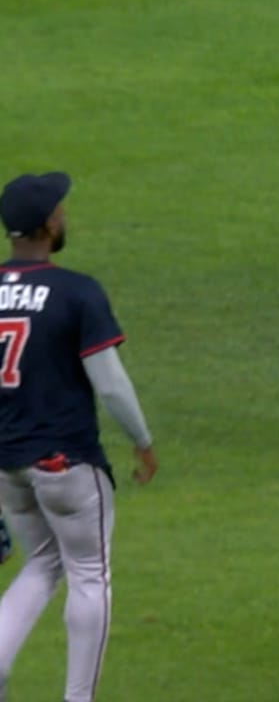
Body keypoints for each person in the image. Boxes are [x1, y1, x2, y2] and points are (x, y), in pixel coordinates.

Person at [0, 172, 158, 700]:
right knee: (90, 573)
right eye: (59, 209)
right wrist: (141, 439)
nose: (64, 215)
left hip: (8, 464)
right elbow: (110, 384)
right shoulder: (75, 291)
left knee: (43, 562)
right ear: (47, 224)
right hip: (68, 465)